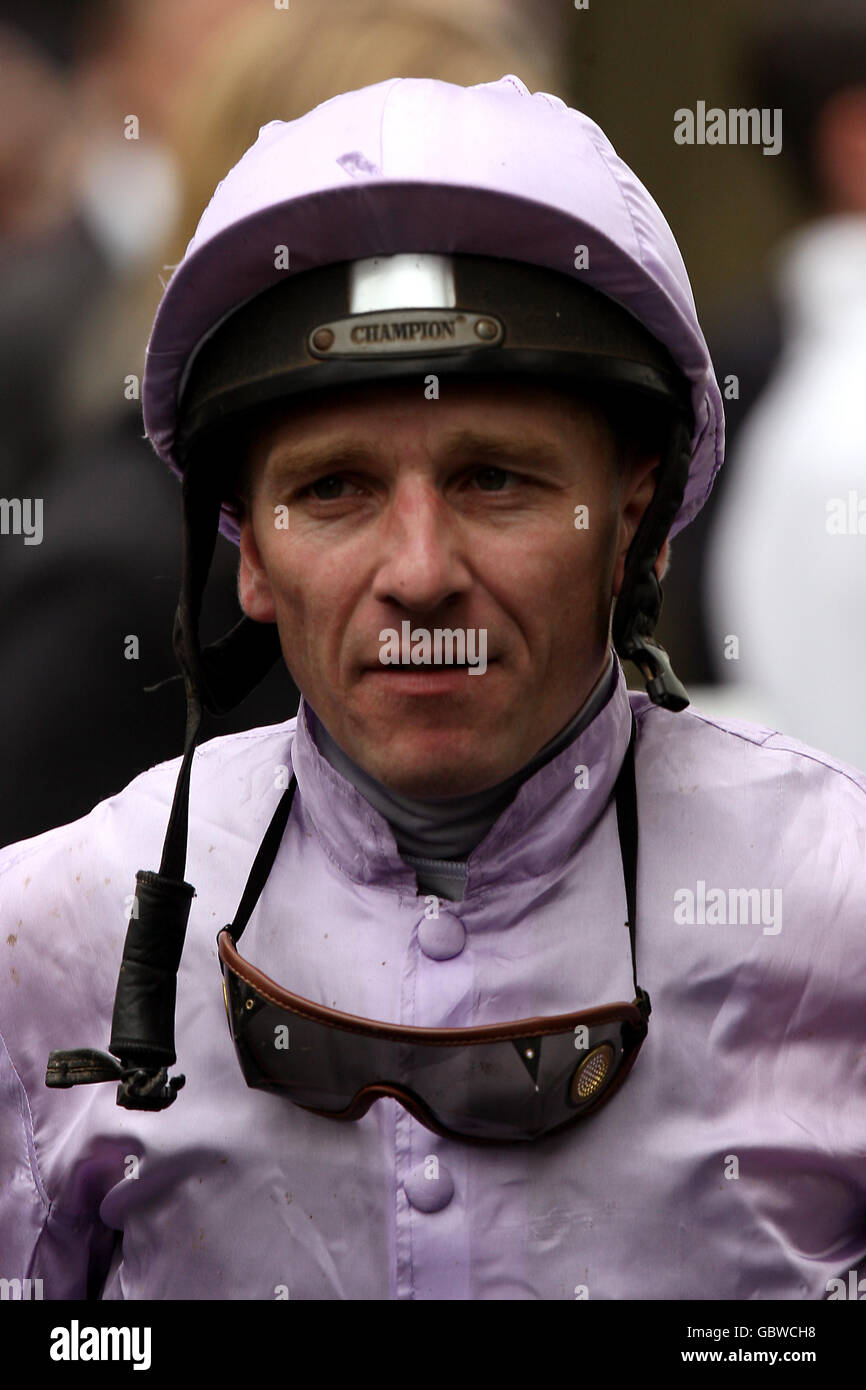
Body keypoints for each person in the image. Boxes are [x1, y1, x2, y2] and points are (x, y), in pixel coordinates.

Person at [1, 75, 864, 1303]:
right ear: (246, 550)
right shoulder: (51, 933)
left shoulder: (838, 898)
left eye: (495, 480)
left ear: (633, 518)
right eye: (335, 490)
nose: (417, 575)